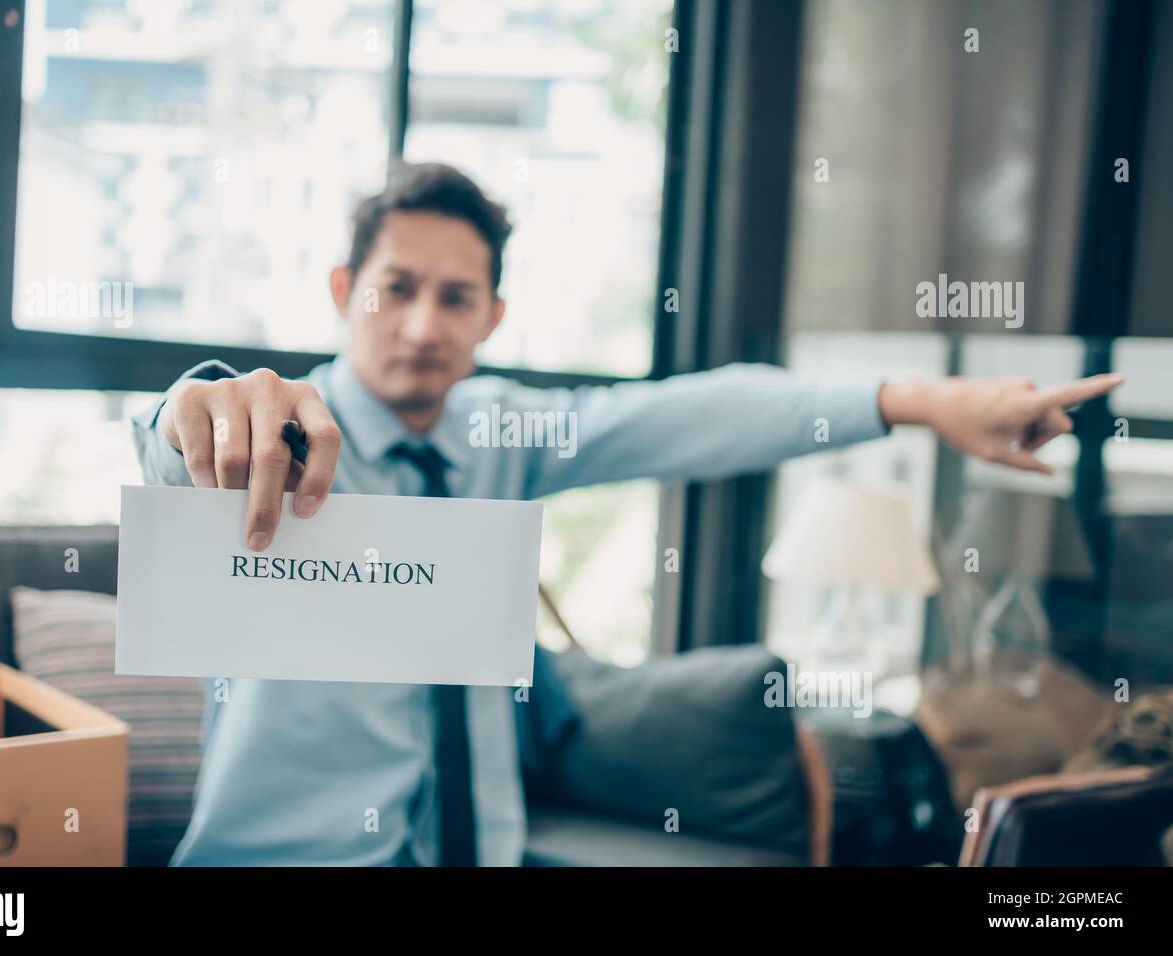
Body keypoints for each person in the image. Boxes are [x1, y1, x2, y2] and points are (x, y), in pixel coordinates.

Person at [132, 161, 1122, 866]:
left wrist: (918, 402)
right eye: (396, 289)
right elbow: (180, 448)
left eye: (456, 296)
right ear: (346, 292)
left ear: (491, 320)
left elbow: (695, 412)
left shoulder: (505, 430)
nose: (424, 324)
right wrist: (191, 407)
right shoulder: (284, 437)